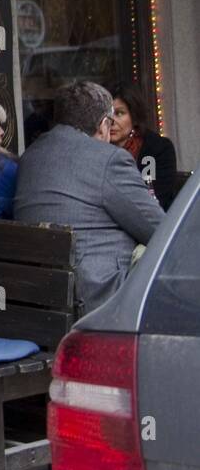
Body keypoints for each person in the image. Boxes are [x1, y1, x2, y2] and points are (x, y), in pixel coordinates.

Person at [15, 81, 162, 314]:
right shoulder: (110, 159)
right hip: (99, 297)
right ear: (104, 124)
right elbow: (159, 231)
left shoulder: (31, 156)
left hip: (39, 296)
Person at [107, 82, 184, 212]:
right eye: (107, 114)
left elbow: (158, 201)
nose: (111, 121)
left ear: (135, 117)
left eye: (119, 113)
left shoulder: (157, 148)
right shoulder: (94, 147)